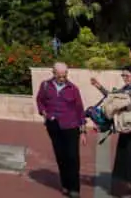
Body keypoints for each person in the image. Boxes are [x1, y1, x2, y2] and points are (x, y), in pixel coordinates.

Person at [93, 52, 131, 198]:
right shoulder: (125, 89)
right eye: (123, 76)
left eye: (127, 76)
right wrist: (99, 87)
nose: (124, 78)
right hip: (125, 128)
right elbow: (111, 97)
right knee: (126, 159)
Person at [35, 62, 87, 198]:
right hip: (53, 125)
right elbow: (39, 100)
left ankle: (74, 189)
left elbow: (79, 109)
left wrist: (83, 131)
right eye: (60, 76)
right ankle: (66, 185)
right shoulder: (45, 86)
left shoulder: (73, 88)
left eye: (65, 76)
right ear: (53, 73)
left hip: (71, 126)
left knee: (72, 157)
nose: (63, 78)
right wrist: (44, 112)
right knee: (61, 156)